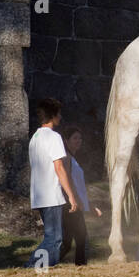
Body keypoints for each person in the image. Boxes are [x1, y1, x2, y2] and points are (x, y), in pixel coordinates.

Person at [27, 98, 81, 268]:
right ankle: (32, 268)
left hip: (39, 195)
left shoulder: (35, 138)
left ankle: (43, 270)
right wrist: (71, 196)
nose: (60, 117)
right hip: (51, 195)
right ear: (53, 116)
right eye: (58, 114)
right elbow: (59, 167)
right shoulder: (54, 137)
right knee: (54, 239)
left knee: (52, 238)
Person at [59, 126, 102, 266]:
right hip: (70, 204)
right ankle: (80, 268)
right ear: (67, 140)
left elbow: (79, 186)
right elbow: (68, 181)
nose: (79, 141)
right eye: (75, 138)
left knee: (67, 242)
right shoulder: (66, 157)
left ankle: (45, 263)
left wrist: (90, 205)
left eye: (80, 138)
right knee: (81, 239)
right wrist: (75, 200)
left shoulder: (72, 158)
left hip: (73, 203)